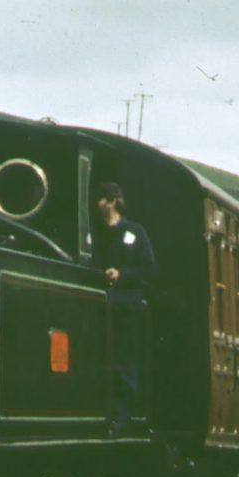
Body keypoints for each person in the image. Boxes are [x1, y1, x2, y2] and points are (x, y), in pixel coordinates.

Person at [92, 182, 157, 425]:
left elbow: (149, 268)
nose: (96, 204)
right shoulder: (95, 233)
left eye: (100, 199)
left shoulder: (135, 232)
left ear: (112, 201)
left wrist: (122, 274)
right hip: (99, 304)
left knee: (124, 361)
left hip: (127, 306)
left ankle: (122, 416)